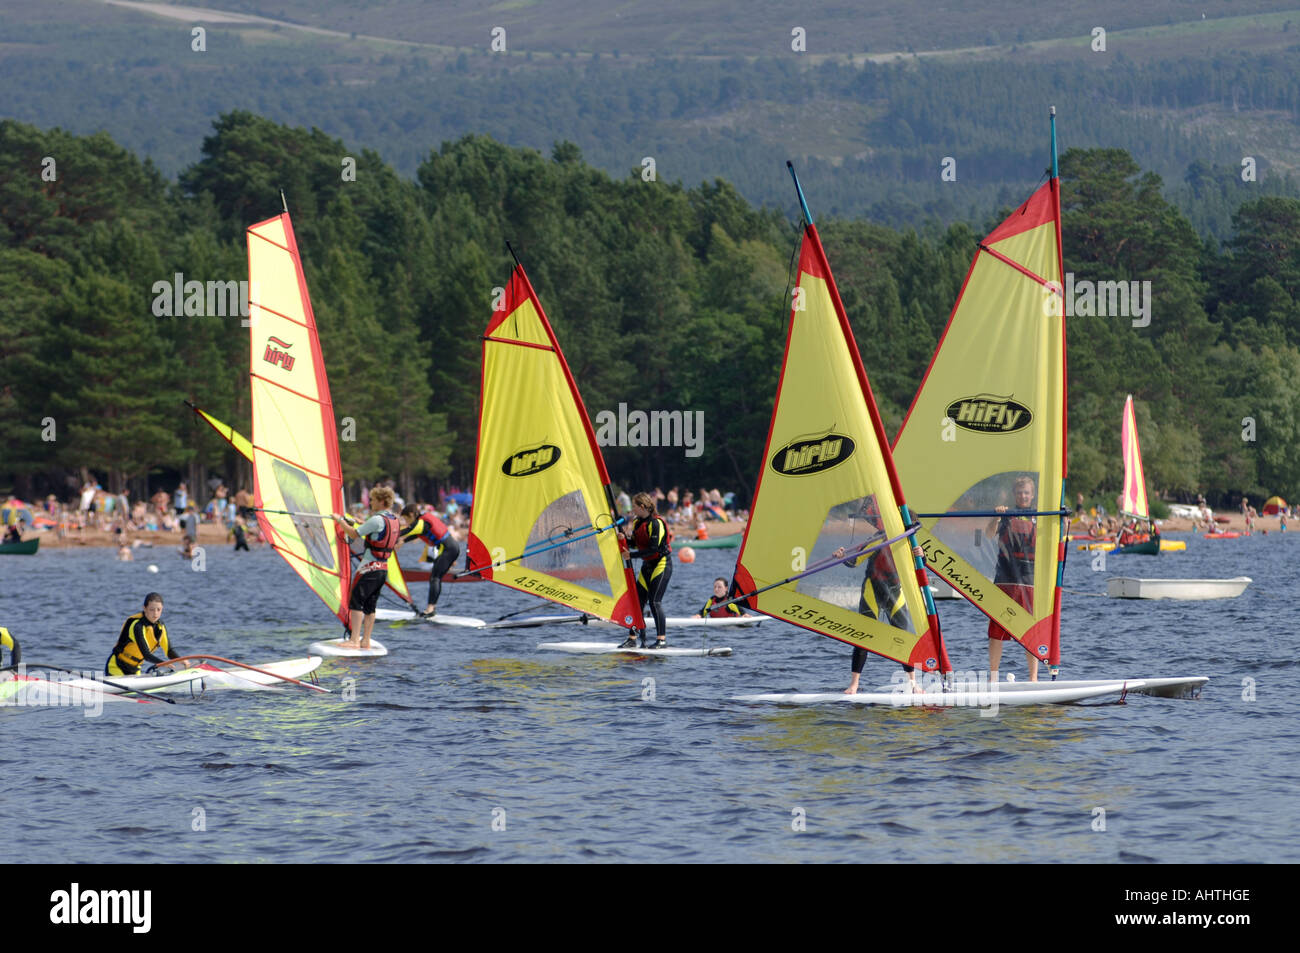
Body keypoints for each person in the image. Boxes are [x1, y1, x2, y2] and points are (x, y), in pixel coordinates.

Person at [831, 497, 920, 694]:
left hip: (896, 593)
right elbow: (854, 561)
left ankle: (913, 683)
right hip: (873, 590)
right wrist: (841, 556)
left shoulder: (910, 541)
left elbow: (921, 567)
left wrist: (921, 555)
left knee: (903, 638)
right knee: (863, 638)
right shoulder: (878, 538)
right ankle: (854, 684)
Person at [985, 475, 1041, 681]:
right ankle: (993, 677)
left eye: (1026, 493)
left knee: (1030, 629)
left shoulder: (1040, 515)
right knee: (996, 629)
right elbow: (989, 535)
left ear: (1032, 495)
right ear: (1014, 495)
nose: (1023, 496)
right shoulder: (1006, 514)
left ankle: (1033, 678)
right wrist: (995, 517)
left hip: (1029, 580)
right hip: (1005, 579)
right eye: (1019, 493)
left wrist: (1062, 520)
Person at [331, 486, 399, 650]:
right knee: (370, 605)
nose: (371, 503)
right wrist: (361, 523)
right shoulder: (393, 519)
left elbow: (354, 535)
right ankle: (365, 641)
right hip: (382, 570)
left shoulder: (376, 520)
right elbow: (378, 530)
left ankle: (354, 640)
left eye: (373, 500)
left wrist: (339, 520)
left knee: (356, 602)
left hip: (369, 568)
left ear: (382, 501)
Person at [619, 491, 672, 649]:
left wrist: (631, 555)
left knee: (654, 601)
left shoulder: (656, 523)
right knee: (637, 603)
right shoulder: (637, 523)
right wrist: (623, 538)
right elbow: (635, 543)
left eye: (634, 506)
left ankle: (661, 640)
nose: (632, 510)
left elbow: (654, 549)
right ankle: (633, 637)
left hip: (661, 564)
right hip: (646, 566)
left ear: (642, 507)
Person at [397, 503, 461, 617]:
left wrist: (386, 533)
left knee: (435, 578)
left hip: (448, 550)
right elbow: (419, 533)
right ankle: (431, 608)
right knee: (436, 577)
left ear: (412, 514)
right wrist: (403, 541)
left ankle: (430, 609)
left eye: (406, 519)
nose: (406, 522)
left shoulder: (420, 522)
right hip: (451, 548)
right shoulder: (423, 522)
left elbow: (403, 532)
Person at [106, 593, 189, 676]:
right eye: (152, 609)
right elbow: (146, 655)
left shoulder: (161, 627)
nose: (155, 613)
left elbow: (169, 651)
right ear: (144, 608)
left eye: (158, 609)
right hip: (117, 666)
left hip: (135, 668)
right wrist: (163, 663)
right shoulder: (137, 626)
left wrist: (181, 660)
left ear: (162, 609)